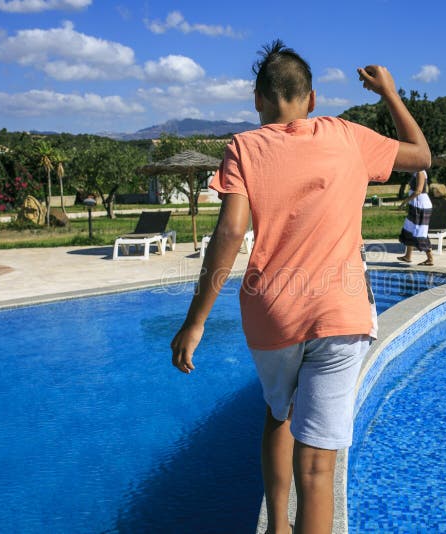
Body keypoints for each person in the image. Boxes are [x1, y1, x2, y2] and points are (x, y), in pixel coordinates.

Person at [170, 40, 430, 534]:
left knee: (277, 411)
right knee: (318, 466)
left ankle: (277, 527)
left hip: (273, 315)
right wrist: (390, 94)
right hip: (341, 311)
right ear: (312, 100)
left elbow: (229, 234)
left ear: (257, 100)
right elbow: (421, 154)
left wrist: (195, 321)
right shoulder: (348, 136)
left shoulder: (243, 147)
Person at [397, 170, 434, 265]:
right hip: (416, 205)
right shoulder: (415, 172)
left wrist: (404, 202)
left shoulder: (420, 172)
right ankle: (408, 256)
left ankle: (430, 259)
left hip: (421, 206)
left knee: (420, 232)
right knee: (409, 229)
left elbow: (418, 191)